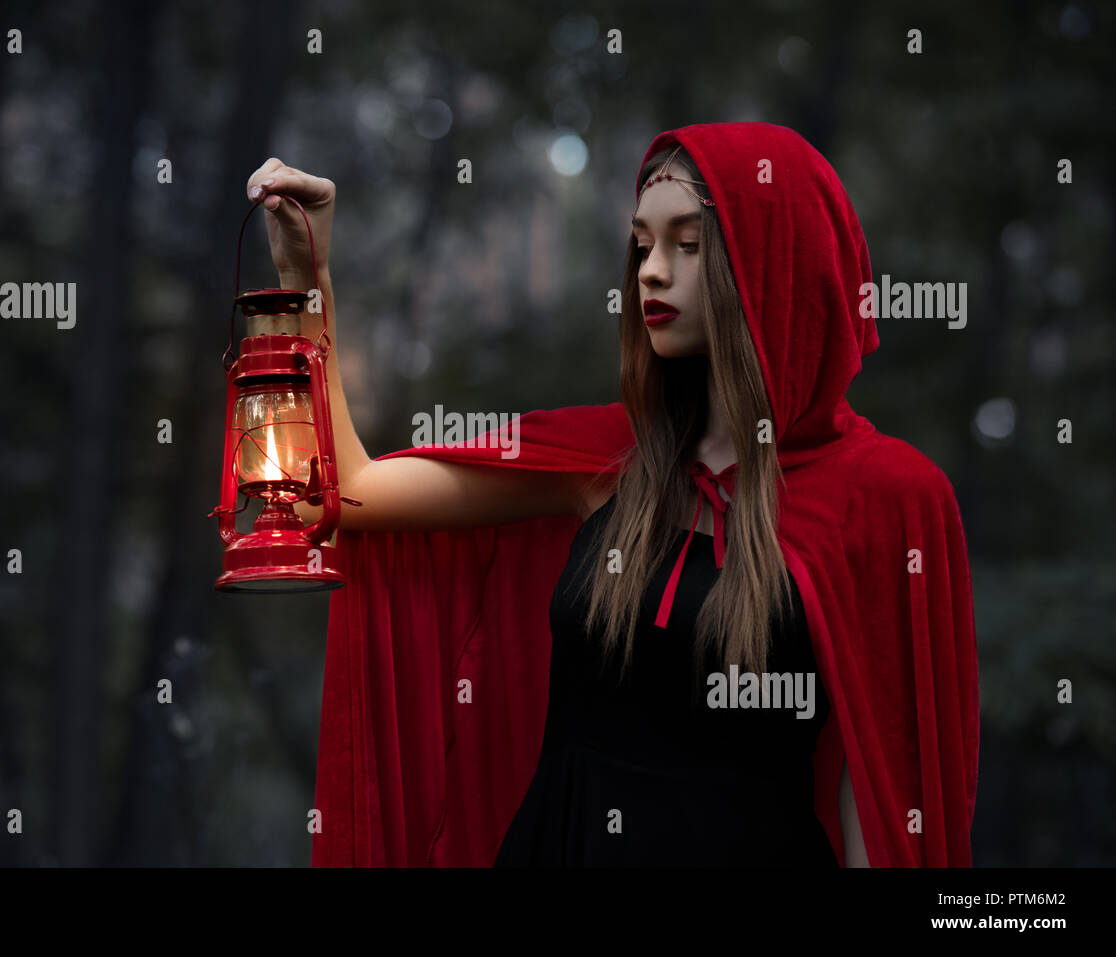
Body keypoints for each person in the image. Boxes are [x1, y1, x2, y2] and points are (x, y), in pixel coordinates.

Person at [245, 121, 978, 867]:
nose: (651, 273)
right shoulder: (606, 455)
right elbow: (336, 494)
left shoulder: (891, 496)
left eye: (688, 246)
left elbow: (885, 803)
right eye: (641, 245)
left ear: (776, 267)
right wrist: (307, 281)